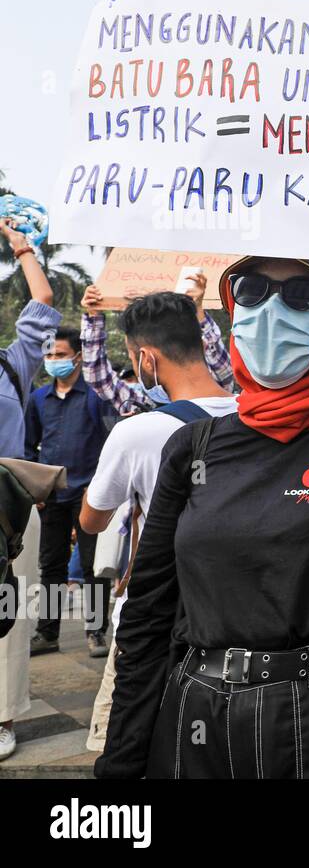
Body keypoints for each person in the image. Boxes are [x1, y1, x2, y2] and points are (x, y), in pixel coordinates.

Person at [95, 223, 309, 779]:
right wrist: (123, 758)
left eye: (301, 293)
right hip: (200, 723)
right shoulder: (195, 447)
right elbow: (148, 616)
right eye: (250, 289)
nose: (270, 309)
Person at [77, 291, 238, 752]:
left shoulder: (137, 431)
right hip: (234, 616)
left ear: (145, 357)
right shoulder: (256, 417)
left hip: (154, 622)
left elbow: (92, 520)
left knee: (125, 745)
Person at [0, 218, 61, 761]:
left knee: (11, 613)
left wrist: (22, 248)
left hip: (9, 511)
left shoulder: (12, 364)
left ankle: (2, 716)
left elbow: (42, 297)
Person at [24, 327, 112, 657]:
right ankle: (47, 633)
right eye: (49, 355)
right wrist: (36, 486)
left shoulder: (95, 397)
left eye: (59, 354)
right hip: (51, 495)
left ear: (78, 356)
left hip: (89, 492)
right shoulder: (38, 399)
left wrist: (99, 486)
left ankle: (96, 632)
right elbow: (28, 445)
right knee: (52, 565)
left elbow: (110, 443)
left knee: (93, 566)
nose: (52, 360)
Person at [80, 273, 236, 417]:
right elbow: (99, 377)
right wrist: (93, 317)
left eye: (133, 358)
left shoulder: (222, 398)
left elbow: (222, 370)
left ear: (146, 360)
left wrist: (198, 311)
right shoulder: (145, 405)